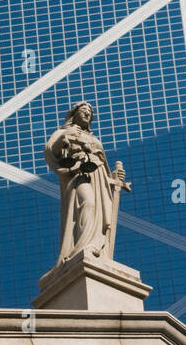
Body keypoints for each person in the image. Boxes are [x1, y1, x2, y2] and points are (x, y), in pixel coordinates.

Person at [45, 101, 127, 264]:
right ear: (74, 114)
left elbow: (102, 164)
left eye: (90, 112)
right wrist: (64, 136)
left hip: (98, 174)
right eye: (83, 110)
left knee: (100, 211)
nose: (87, 114)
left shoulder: (94, 139)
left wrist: (114, 177)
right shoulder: (65, 132)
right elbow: (50, 149)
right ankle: (83, 247)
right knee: (87, 203)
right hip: (78, 172)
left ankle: (98, 247)